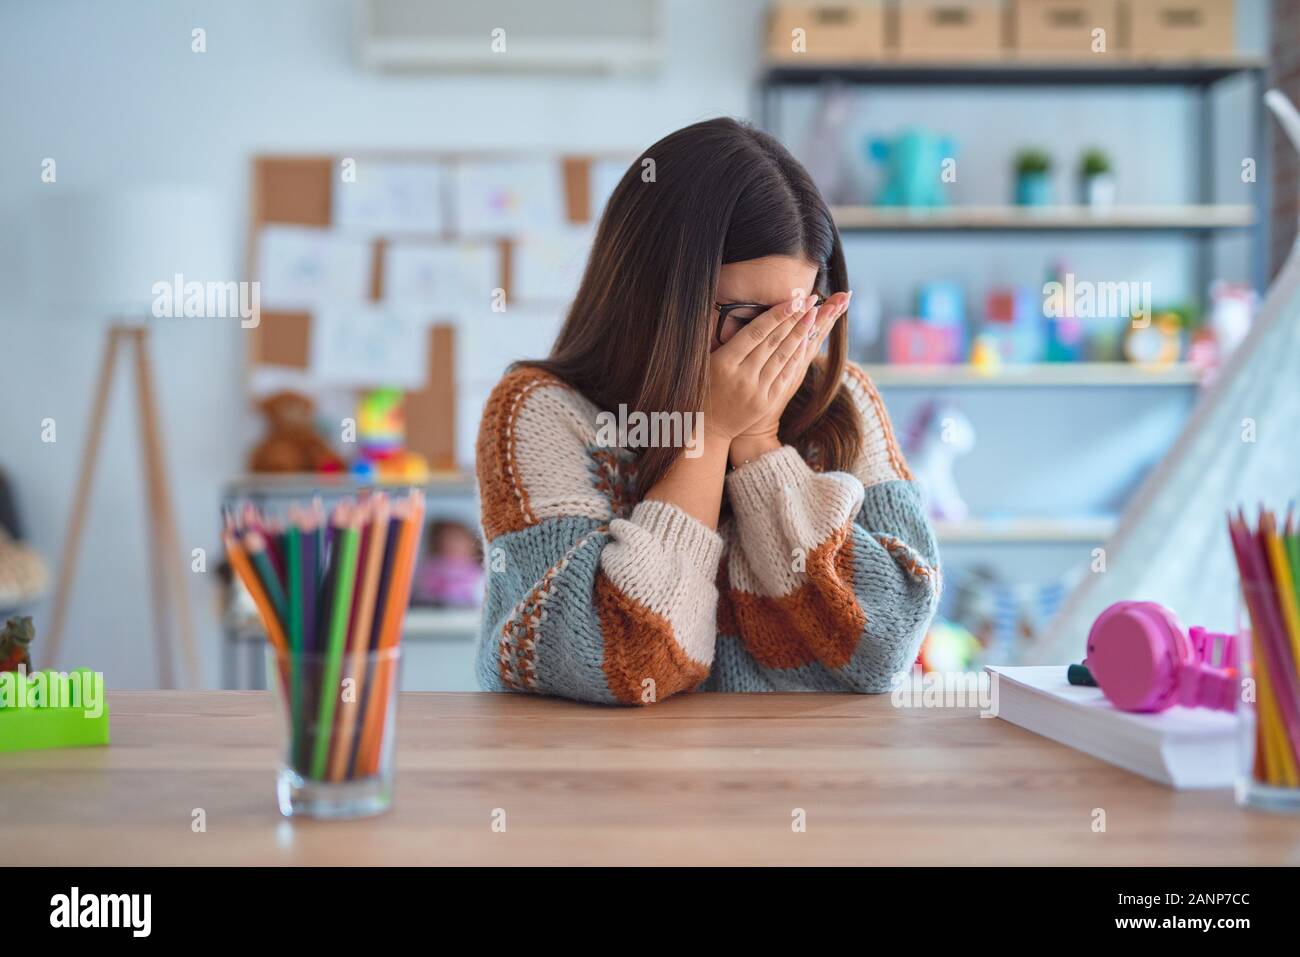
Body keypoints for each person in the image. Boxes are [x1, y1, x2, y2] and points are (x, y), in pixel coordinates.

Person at [475, 118, 939, 704]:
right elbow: (626, 660)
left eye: (799, 319)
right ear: (655, 297)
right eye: (749, 321)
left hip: (813, 783)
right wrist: (709, 434)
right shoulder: (543, 412)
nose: (779, 349)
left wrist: (760, 444)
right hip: (607, 783)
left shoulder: (843, 402)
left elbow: (887, 649)